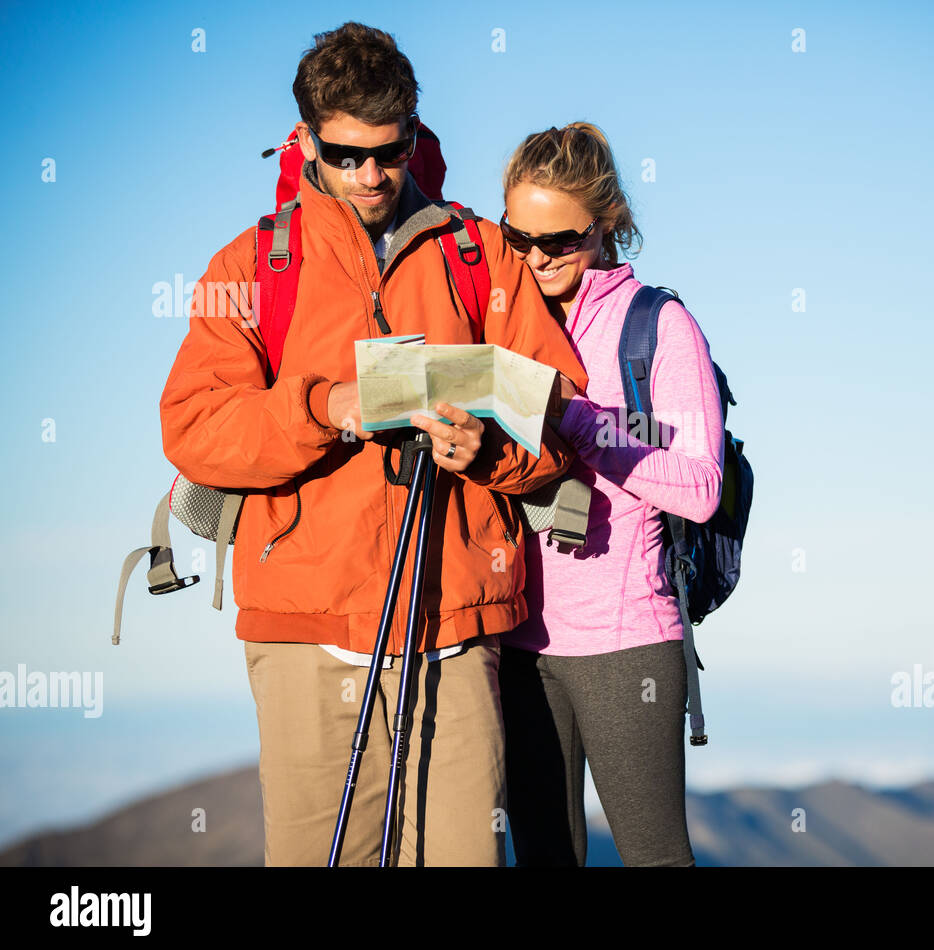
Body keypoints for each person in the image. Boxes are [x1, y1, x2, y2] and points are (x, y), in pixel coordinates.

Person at [158, 23, 587, 866]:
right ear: (308, 136)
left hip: (456, 627)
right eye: (345, 154)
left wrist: (490, 452)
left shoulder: (482, 256)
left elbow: (557, 417)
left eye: (388, 154)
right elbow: (196, 429)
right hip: (305, 628)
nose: (369, 176)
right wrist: (329, 407)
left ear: (414, 132)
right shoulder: (253, 265)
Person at [497, 123, 724, 866]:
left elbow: (700, 487)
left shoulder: (659, 326)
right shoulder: (505, 326)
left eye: (559, 241)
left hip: (625, 642)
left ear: (606, 224)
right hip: (518, 641)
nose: (536, 259)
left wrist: (582, 423)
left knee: (655, 856)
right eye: (517, 238)